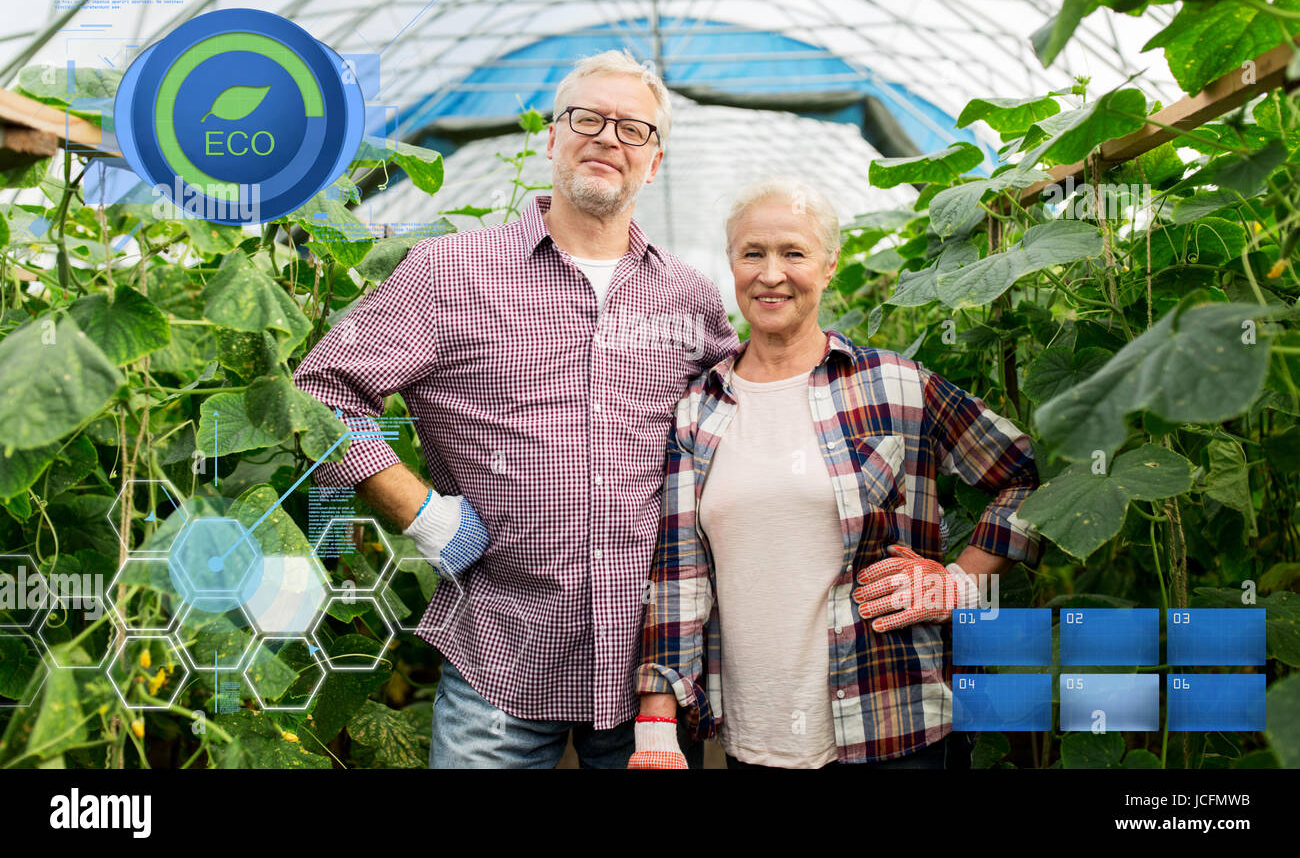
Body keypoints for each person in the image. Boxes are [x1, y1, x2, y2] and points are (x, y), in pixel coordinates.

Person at [292, 49, 738, 768]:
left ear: (654, 163)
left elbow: (739, 428)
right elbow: (320, 391)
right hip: (500, 650)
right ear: (552, 138)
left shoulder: (690, 298)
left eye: (634, 130)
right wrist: (424, 514)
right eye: (587, 118)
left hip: (649, 657)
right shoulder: (449, 272)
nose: (607, 138)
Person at [629, 177, 1042, 769]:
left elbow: (1023, 473)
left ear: (828, 267)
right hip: (756, 736)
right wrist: (656, 725)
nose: (772, 274)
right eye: (753, 253)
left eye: (793, 253)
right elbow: (679, 575)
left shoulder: (896, 386)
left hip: (895, 721)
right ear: (732, 265)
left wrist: (961, 581)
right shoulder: (700, 407)